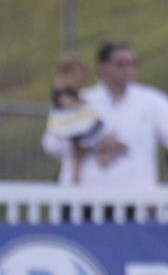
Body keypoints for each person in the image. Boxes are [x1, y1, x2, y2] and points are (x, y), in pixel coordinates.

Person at [41, 42, 168, 187]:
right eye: (120, 64)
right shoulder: (79, 102)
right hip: (87, 198)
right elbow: (52, 144)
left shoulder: (151, 101)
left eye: (132, 64)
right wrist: (93, 142)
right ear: (102, 68)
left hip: (134, 199)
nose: (128, 70)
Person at [43, 54, 119, 185]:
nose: (80, 79)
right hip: (70, 124)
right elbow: (67, 103)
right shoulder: (62, 89)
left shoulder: (77, 93)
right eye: (76, 75)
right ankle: (76, 177)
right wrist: (81, 105)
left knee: (92, 139)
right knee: (80, 151)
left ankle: (102, 157)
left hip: (77, 121)